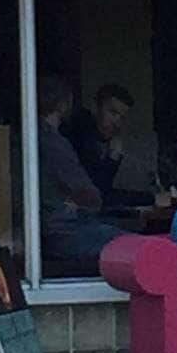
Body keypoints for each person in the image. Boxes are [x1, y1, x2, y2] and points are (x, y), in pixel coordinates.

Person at [35, 73, 119, 271]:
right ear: (64, 104)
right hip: (62, 232)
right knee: (138, 246)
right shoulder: (53, 142)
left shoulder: (24, 137)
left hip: (44, 230)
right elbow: (91, 195)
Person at [70, 81, 159, 214]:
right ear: (95, 108)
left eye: (121, 117)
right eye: (112, 112)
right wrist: (112, 158)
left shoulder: (97, 138)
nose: (116, 122)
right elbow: (97, 193)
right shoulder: (79, 136)